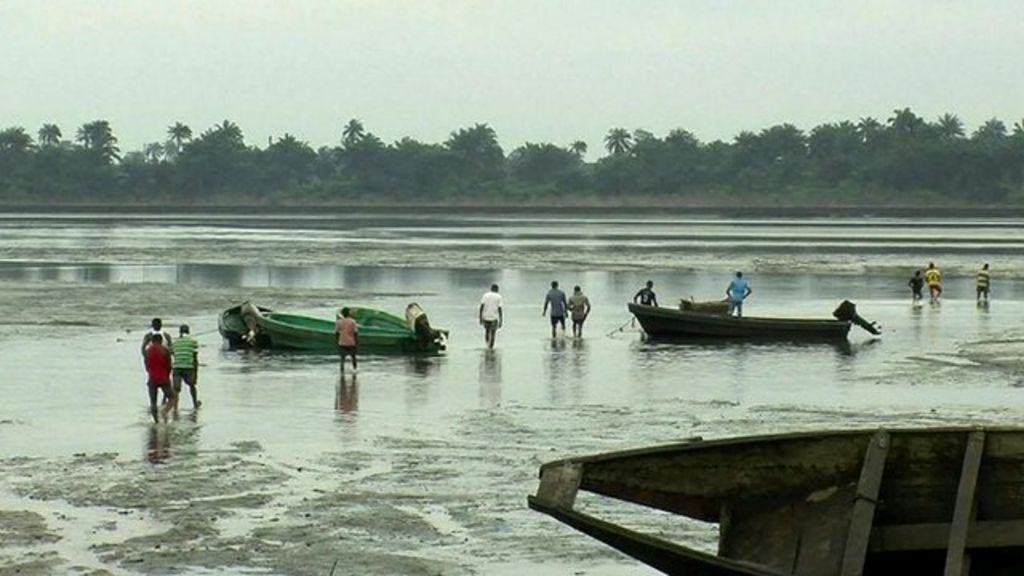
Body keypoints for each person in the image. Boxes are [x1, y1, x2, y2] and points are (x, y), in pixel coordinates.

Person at [144, 333, 175, 423]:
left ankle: (156, 422)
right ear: (161, 341)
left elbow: (146, 365)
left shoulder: (148, 351)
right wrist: (167, 375)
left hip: (152, 378)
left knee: (153, 402)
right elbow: (169, 366)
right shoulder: (165, 350)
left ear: (152, 341)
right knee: (172, 398)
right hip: (163, 378)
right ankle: (164, 411)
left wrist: (150, 372)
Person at [171, 324, 201, 410]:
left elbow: (172, 353)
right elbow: (195, 358)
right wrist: (196, 373)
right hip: (189, 367)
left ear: (180, 332)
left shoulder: (175, 342)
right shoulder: (193, 342)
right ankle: (195, 403)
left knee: (176, 389)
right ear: (188, 332)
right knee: (192, 386)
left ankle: (175, 407)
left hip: (177, 368)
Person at [479, 284, 503, 349]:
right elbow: (499, 309)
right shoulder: (499, 297)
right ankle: (491, 348)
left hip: (486, 317)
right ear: (497, 289)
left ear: (491, 288)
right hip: (494, 318)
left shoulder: (485, 295)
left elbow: (481, 307)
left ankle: (487, 345)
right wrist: (501, 320)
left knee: (487, 332)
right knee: (493, 333)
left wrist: (480, 318)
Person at [334, 307, 358, 372]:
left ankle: (342, 372)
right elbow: (355, 333)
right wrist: (357, 342)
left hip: (342, 342)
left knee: (342, 359)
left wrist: (337, 342)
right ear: (349, 313)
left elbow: (336, 333)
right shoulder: (353, 321)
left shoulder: (339, 322)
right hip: (351, 342)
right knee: (353, 357)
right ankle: (355, 370)